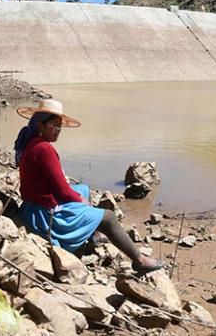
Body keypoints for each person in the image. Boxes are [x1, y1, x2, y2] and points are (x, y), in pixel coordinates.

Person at [14, 99, 163, 273]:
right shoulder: (44, 149)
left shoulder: (32, 143)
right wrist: (81, 201)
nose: (58, 130)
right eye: (54, 125)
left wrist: (79, 196)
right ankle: (140, 260)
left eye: (60, 126)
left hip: (32, 206)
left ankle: (91, 234)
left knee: (83, 189)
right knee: (108, 218)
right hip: (44, 214)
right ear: (40, 125)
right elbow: (63, 190)